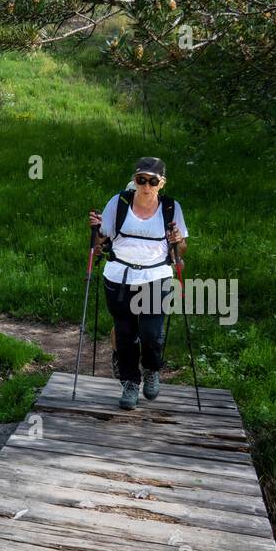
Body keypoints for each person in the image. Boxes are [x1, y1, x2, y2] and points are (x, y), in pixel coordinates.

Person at [87, 157, 188, 410]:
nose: (146, 185)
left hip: (156, 277)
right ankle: (130, 382)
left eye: (152, 181)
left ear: (161, 183)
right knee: (126, 334)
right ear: (135, 180)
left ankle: (152, 370)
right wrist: (96, 231)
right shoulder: (118, 202)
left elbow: (181, 249)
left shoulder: (170, 208)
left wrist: (177, 239)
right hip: (119, 277)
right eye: (141, 179)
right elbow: (100, 244)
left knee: (152, 334)